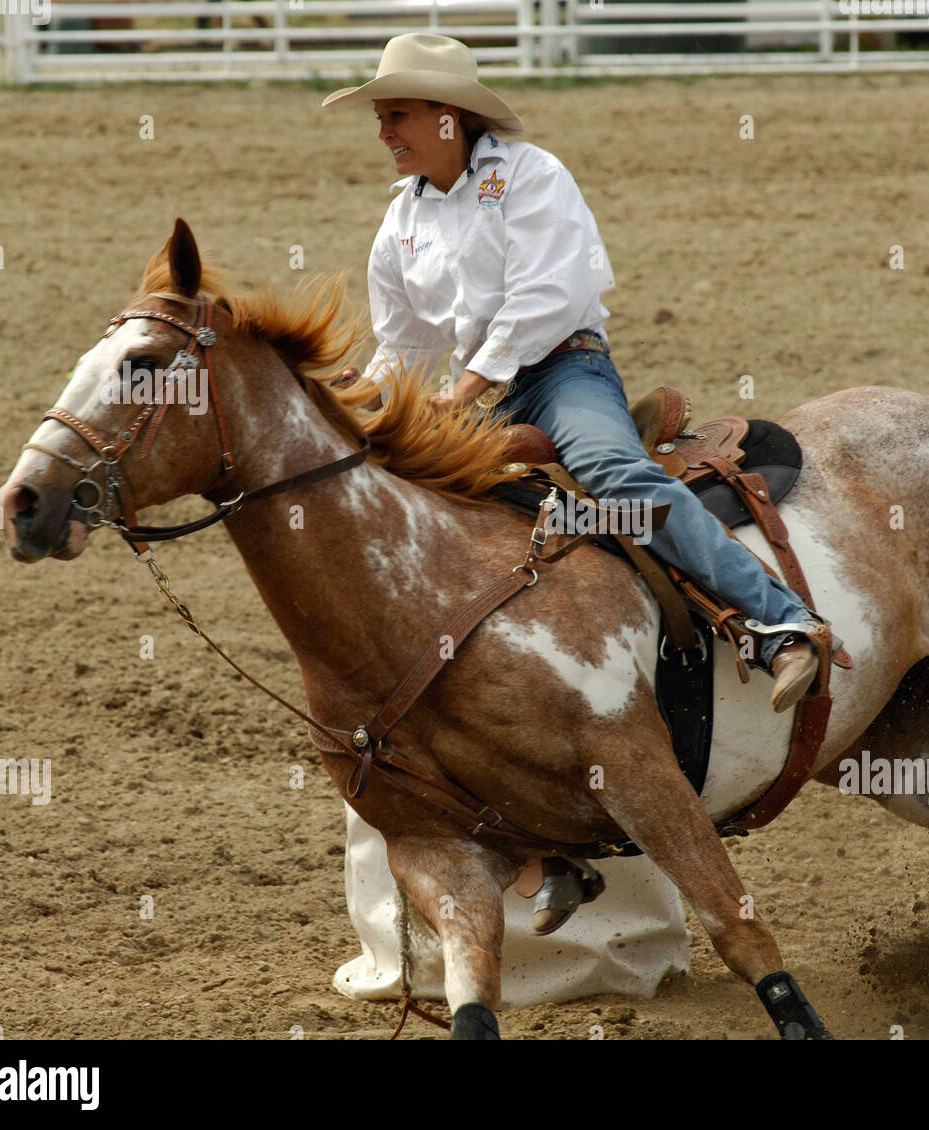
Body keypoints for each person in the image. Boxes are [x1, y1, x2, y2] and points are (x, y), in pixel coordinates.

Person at [321, 33, 838, 937]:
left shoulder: (527, 175)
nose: (384, 133)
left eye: (394, 114)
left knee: (612, 473)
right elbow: (398, 345)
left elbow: (548, 297)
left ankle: (779, 621)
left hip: (560, 374)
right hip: (468, 394)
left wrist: (466, 390)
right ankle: (531, 843)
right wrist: (366, 415)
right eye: (381, 117)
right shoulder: (399, 218)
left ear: (448, 116)